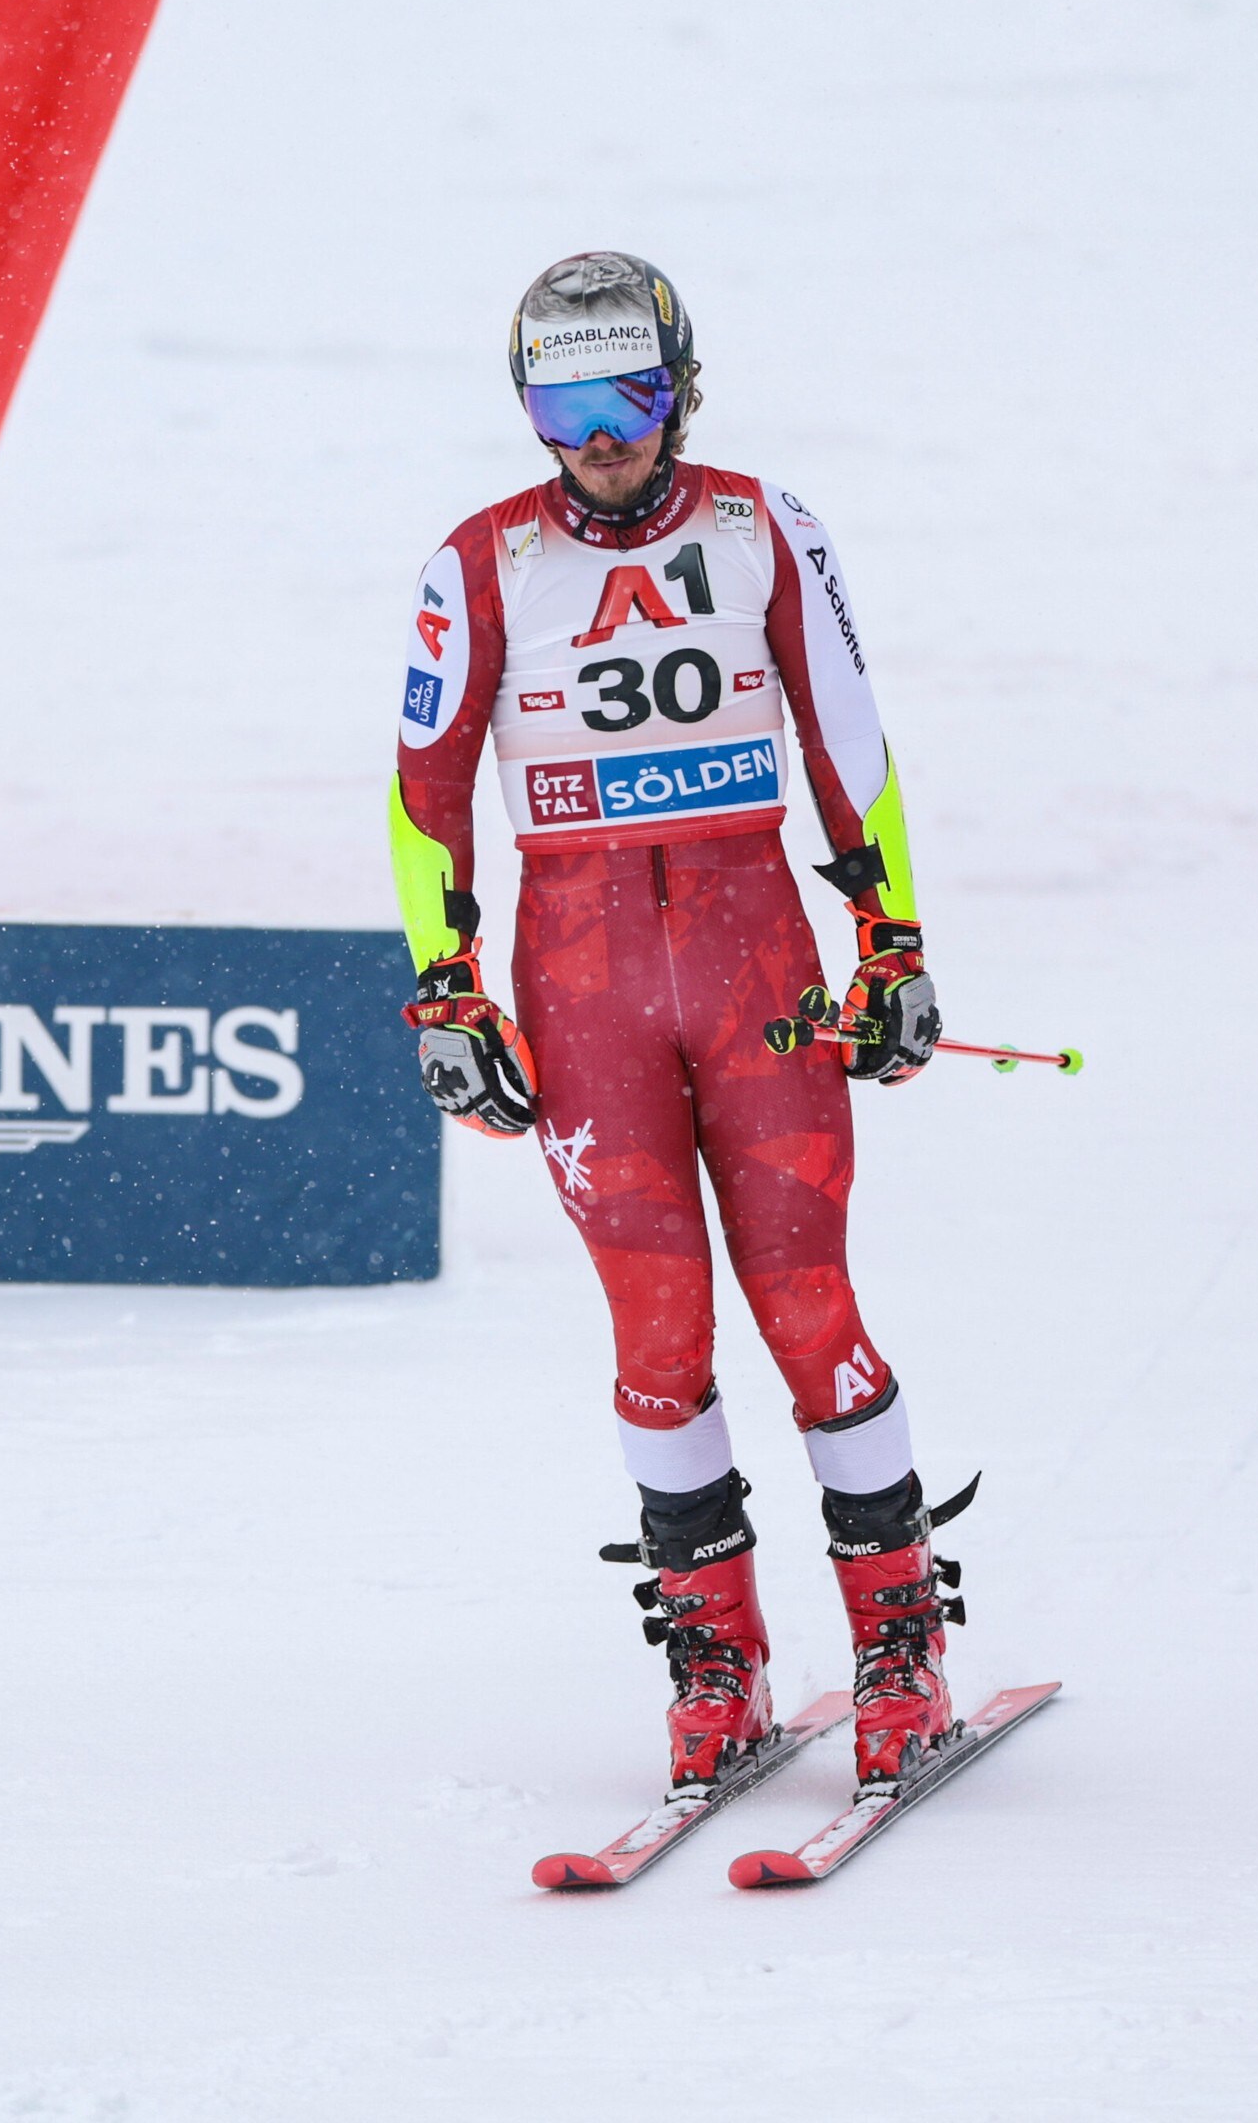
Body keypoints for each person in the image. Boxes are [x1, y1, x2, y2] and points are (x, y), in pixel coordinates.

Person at [390, 251, 967, 1794]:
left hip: (749, 963)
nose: (600, 435)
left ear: (681, 385)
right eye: (563, 402)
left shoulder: (762, 524)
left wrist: (890, 942)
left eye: (630, 394)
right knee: (656, 1339)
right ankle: (717, 1659)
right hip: (579, 985)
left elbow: (849, 743)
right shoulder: (478, 559)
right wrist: (441, 986)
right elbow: (426, 795)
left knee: (809, 1312)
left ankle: (899, 1639)